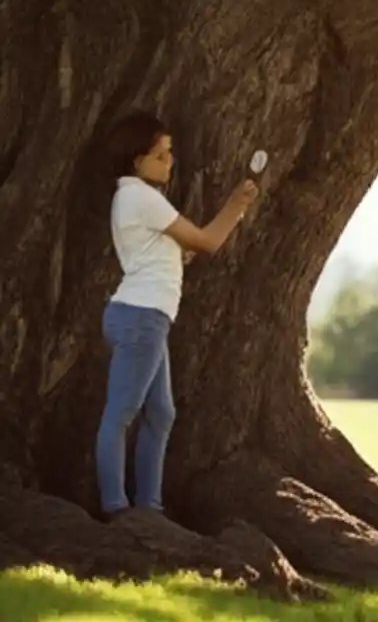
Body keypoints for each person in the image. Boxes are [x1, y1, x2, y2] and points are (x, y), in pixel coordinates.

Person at [97, 111, 258, 519]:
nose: (170, 161)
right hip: (141, 317)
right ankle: (117, 508)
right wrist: (237, 204)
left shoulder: (133, 197)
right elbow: (206, 241)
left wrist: (176, 254)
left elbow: (166, 253)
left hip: (146, 317)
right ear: (137, 160)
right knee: (121, 413)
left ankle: (150, 506)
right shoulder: (140, 196)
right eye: (161, 155)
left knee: (161, 412)